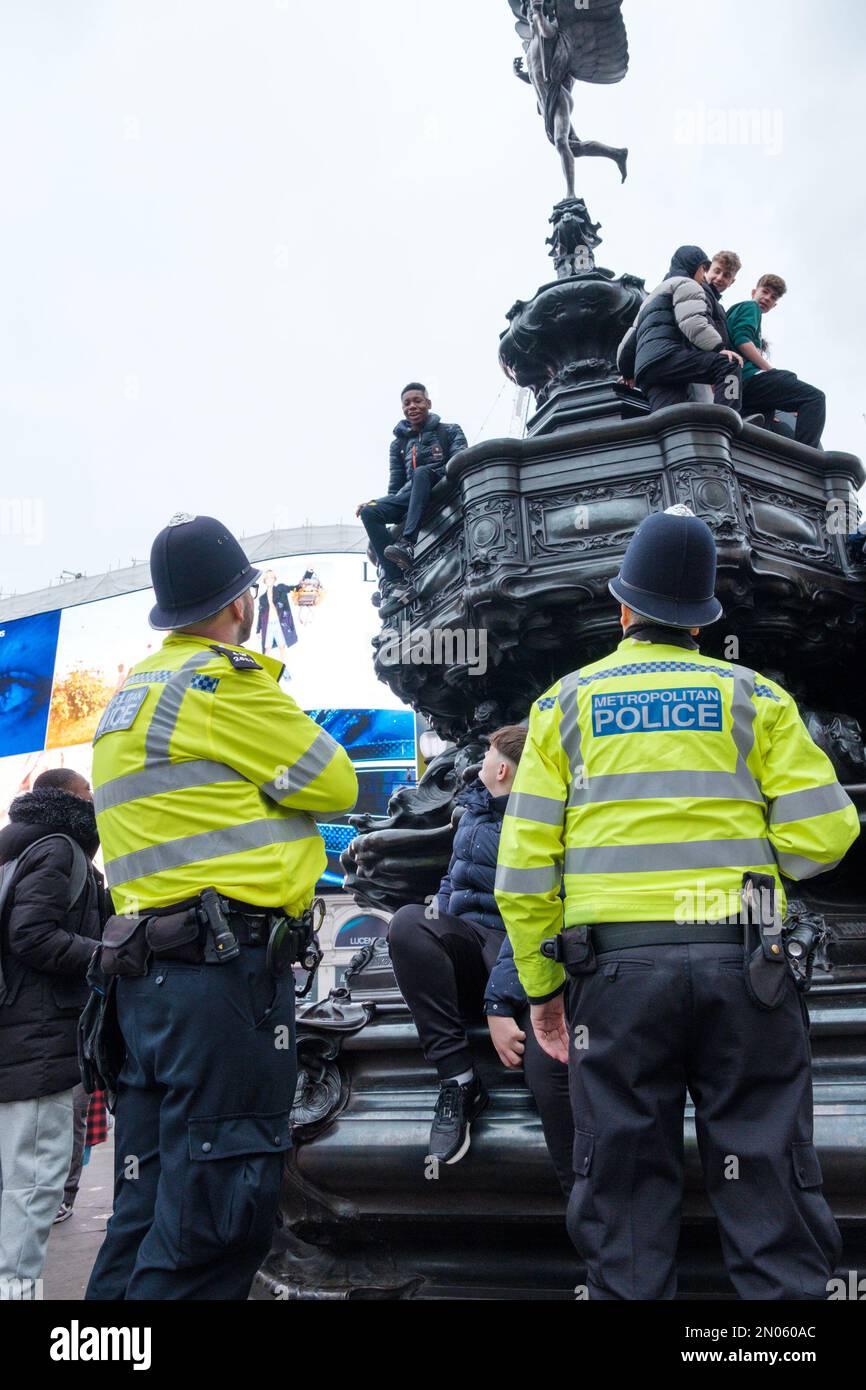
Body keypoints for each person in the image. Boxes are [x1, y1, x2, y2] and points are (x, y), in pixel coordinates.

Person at [495, 507, 860, 1300]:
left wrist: (543, 990)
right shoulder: (753, 697)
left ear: (624, 608)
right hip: (746, 969)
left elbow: (523, 872)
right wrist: (765, 865)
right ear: (704, 620)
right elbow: (829, 831)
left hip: (616, 979)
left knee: (622, 1197)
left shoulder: (563, 706)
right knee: (769, 1181)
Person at [85, 513, 357, 1301]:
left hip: (147, 981)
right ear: (242, 601)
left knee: (142, 1213)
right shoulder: (219, 683)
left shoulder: (129, 695)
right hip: (221, 978)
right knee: (215, 1219)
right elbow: (335, 782)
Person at [388, 726, 572, 1188]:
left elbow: (534, 915)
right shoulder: (472, 809)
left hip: (532, 948)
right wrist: (438, 932)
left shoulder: (548, 818)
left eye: (488, 753)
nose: (480, 761)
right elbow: (452, 883)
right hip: (478, 942)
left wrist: (499, 1002)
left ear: (504, 768)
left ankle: (582, 1194)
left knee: (549, 1069)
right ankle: (458, 1080)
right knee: (409, 922)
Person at [0, 767, 106, 1297]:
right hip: (37, 1037)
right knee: (34, 1179)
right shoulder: (59, 847)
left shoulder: (11, 845)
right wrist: (106, 955)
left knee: (11, 1178)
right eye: (89, 791)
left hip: (11, 1030)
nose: (97, 798)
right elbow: (33, 935)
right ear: (68, 799)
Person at [357, 384, 467, 619]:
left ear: (428, 403)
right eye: (407, 403)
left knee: (421, 473)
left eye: (417, 401)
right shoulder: (398, 445)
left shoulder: (448, 430)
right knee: (369, 512)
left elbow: (460, 461)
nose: (412, 406)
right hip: (409, 496)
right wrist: (377, 502)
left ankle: (408, 543)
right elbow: (395, 487)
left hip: (438, 488)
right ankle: (396, 584)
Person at [617, 245, 743, 414]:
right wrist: (719, 349)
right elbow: (692, 322)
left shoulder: (652, 297)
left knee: (671, 420)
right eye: (703, 269)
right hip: (668, 358)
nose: (704, 275)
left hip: (648, 372)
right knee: (729, 366)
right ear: (695, 267)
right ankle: (727, 418)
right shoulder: (688, 284)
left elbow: (629, 341)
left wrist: (627, 373)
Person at [726, 275, 826, 448]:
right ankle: (805, 457)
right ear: (753, 292)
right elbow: (742, 340)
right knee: (814, 398)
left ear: (775, 305)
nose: (767, 298)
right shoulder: (751, 307)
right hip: (747, 377)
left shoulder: (736, 311)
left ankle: (749, 419)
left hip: (737, 386)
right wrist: (770, 369)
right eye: (765, 292)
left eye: (773, 297)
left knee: (773, 402)